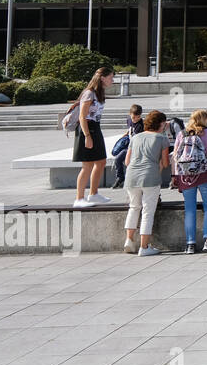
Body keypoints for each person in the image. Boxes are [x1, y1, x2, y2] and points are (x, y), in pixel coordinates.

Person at [173, 109, 207, 254]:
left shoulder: (182, 133)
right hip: (205, 173)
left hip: (186, 176)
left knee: (189, 210)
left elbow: (175, 156)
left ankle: (190, 244)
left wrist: (174, 176)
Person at [122, 110, 169, 256]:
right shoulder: (162, 138)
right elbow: (165, 162)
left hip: (131, 177)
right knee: (148, 211)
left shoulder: (136, 137)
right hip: (150, 177)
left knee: (134, 207)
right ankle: (144, 246)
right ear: (161, 123)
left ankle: (129, 241)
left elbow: (127, 161)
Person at [72, 66, 116, 208]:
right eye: (111, 77)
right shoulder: (89, 93)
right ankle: (79, 198)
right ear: (102, 78)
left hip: (95, 127)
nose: (112, 80)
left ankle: (93, 194)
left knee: (101, 161)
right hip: (86, 128)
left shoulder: (99, 93)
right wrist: (87, 136)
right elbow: (82, 116)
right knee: (87, 165)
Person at [110, 104, 145, 189]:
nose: (135, 119)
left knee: (130, 162)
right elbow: (130, 129)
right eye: (133, 117)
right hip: (129, 145)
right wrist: (125, 135)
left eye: (138, 117)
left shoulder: (141, 125)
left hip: (136, 147)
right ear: (130, 114)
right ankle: (120, 177)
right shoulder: (129, 120)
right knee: (118, 159)